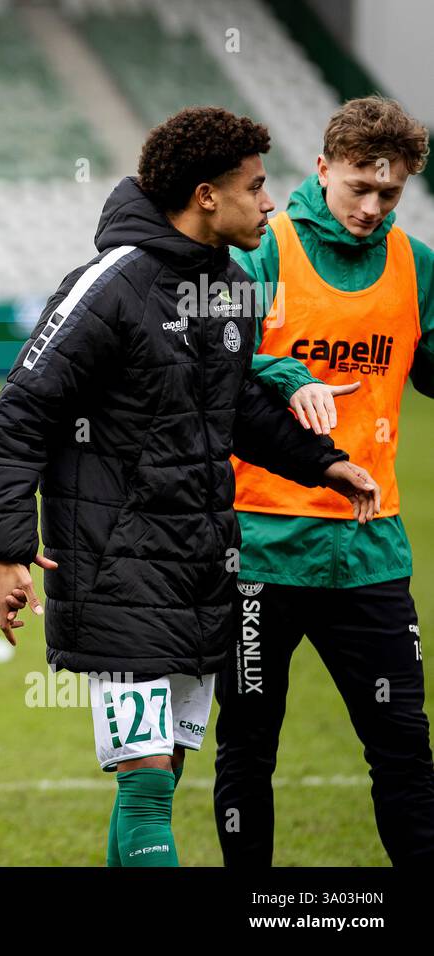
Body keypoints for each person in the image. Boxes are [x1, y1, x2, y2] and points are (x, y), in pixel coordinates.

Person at [0, 107, 382, 867]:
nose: (269, 203)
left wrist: (320, 460)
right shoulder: (111, 284)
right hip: (115, 571)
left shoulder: (227, 287)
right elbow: (21, 414)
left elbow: (236, 411)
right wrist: (4, 550)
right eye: (256, 188)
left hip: (199, 570)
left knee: (160, 776)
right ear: (205, 195)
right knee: (148, 785)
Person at [215, 95, 434, 866]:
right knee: (247, 750)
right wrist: (288, 372)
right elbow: (220, 361)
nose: (373, 208)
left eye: (390, 194)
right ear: (322, 169)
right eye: (358, 189)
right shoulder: (262, 247)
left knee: (405, 750)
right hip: (259, 551)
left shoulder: (417, 265)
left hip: (371, 554)